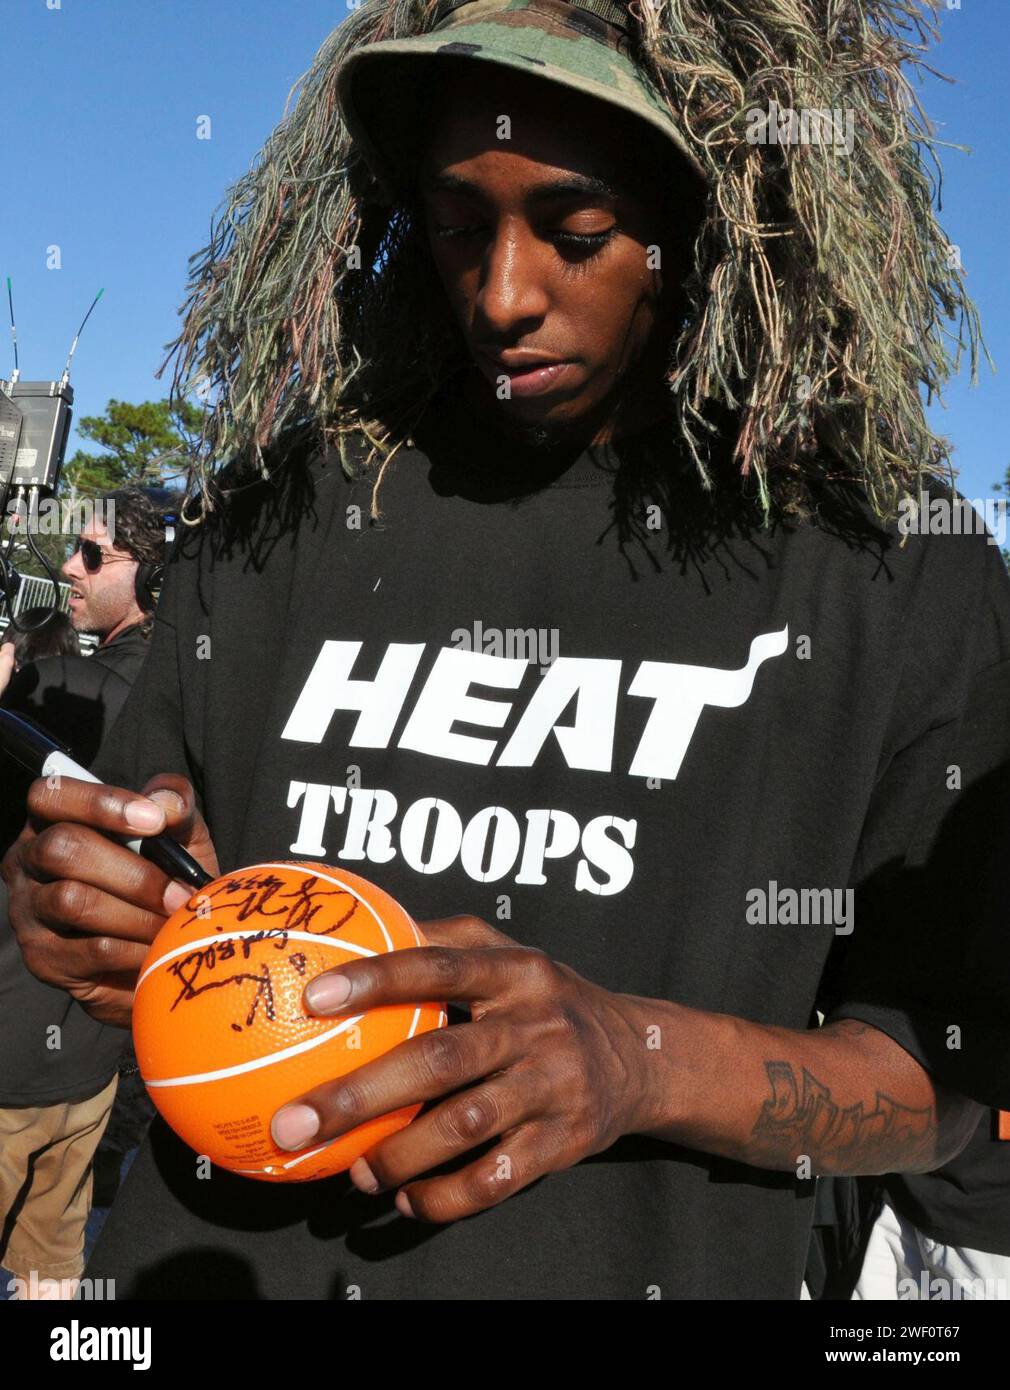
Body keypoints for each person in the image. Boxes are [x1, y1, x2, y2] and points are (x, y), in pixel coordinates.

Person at [4, 0, 1010, 1301]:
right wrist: (99, 915)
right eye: (457, 224)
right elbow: (165, 907)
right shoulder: (282, 520)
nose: (504, 294)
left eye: (576, 232)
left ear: (710, 224)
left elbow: (942, 1081)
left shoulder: (894, 583)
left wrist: (635, 1058)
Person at [0, 488, 167, 1299]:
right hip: (95, 1067)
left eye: (94, 554)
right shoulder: (195, 701)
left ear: (153, 575)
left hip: (8, 1059)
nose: (70, 564)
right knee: (52, 1278)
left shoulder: (58, 685)